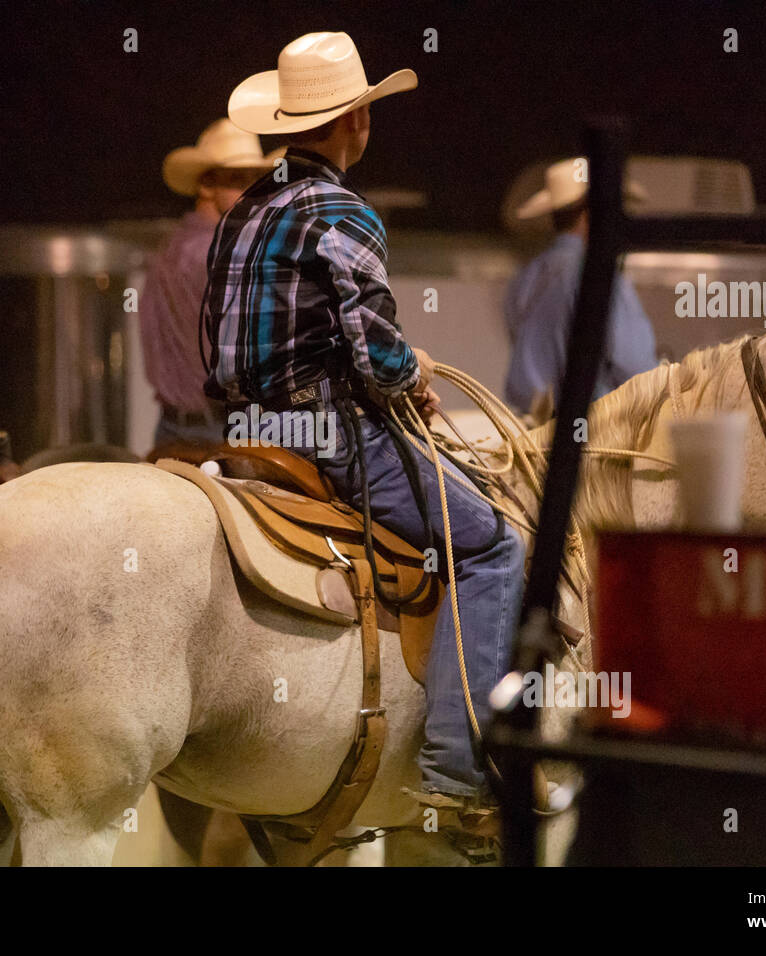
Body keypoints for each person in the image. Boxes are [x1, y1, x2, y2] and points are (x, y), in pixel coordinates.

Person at [204, 31, 526, 835]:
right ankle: (458, 771)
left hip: (245, 431)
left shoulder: (244, 209)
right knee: (492, 545)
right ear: (356, 122)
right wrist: (408, 373)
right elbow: (375, 352)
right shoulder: (341, 210)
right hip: (327, 431)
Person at [142, 118, 281, 449]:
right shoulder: (229, 253)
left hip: (172, 432)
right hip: (225, 435)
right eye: (237, 180)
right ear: (206, 186)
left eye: (255, 180)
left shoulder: (165, 251)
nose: (251, 192)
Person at [504, 156, 657, 414]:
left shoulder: (527, 276)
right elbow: (634, 365)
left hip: (531, 426)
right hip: (594, 430)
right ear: (591, 213)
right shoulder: (600, 273)